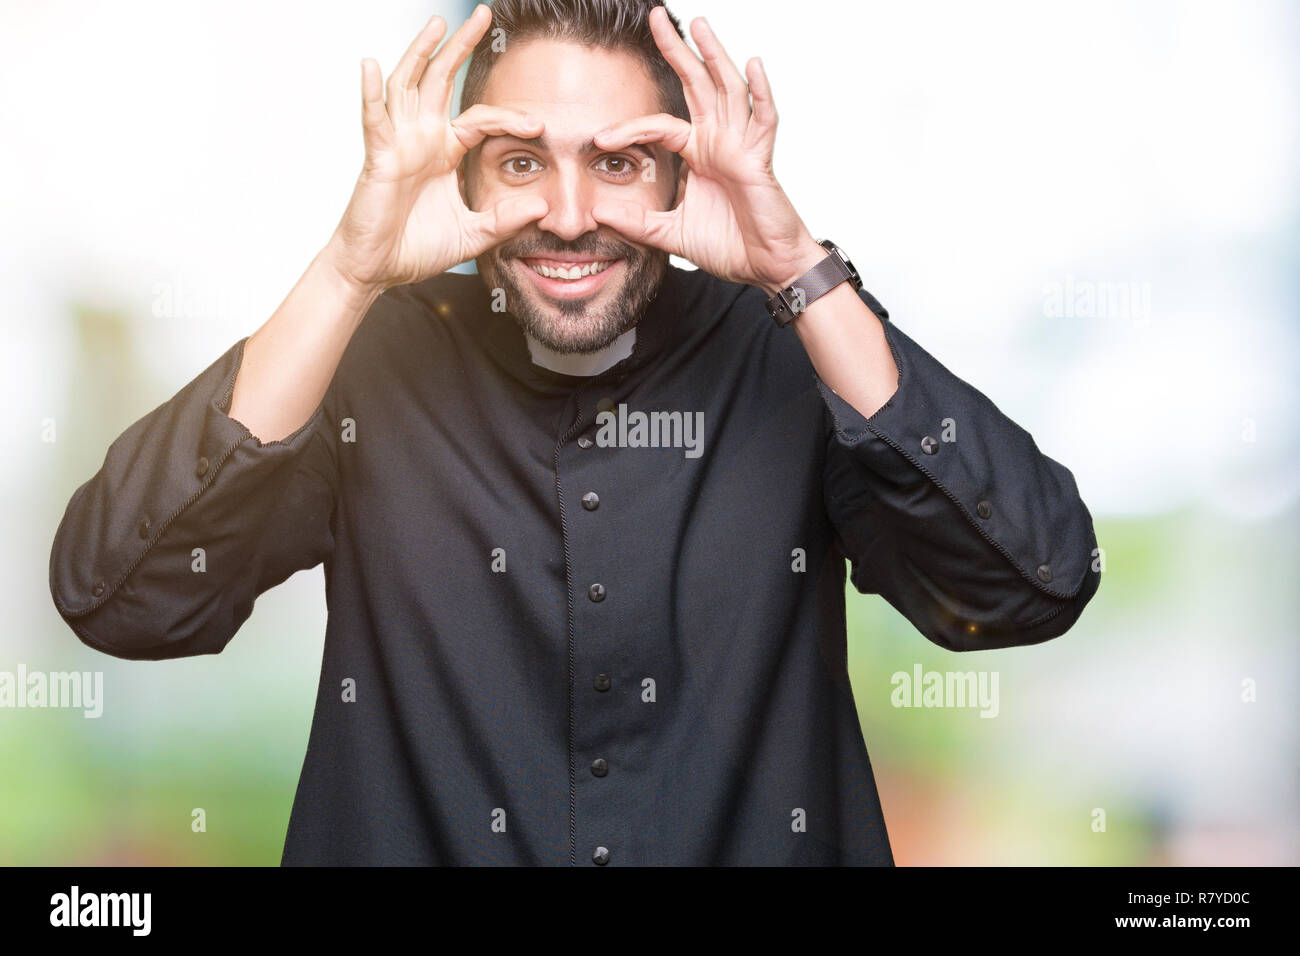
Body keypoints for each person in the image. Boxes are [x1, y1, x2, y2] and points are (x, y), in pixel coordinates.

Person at [49, 0, 1101, 865]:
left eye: (617, 162)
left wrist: (798, 270)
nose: (565, 212)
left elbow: (1030, 583)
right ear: (461, 178)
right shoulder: (364, 356)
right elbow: (124, 596)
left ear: (682, 174)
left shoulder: (796, 352)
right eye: (517, 162)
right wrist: (346, 271)